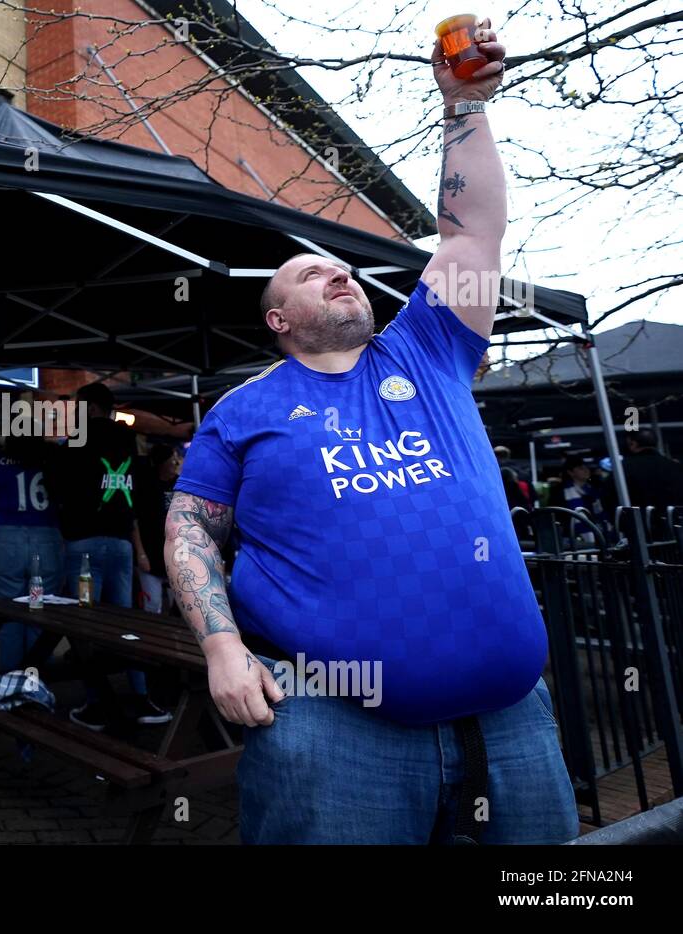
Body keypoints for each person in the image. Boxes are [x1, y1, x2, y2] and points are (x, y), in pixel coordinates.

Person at [165, 20, 578, 844]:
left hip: (512, 717)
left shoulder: (429, 348)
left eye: (343, 267)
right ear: (279, 317)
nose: (339, 270)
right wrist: (219, 648)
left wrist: (463, 107)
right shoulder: (245, 409)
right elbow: (188, 527)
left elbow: (469, 234)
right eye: (312, 273)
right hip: (330, 722)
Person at [49, 382, 170, 729]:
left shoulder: (74, 442)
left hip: (83, 544)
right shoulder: (128, 442)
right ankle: (141, 696)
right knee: (125, 624)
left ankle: (96, 703)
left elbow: (55, 483)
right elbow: (144, 492)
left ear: (87, 408)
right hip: (121, 542)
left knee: (87, 625)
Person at [0, 435, 65, 671]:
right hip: (47, 536)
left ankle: (11, 683)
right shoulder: (51, 458)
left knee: (8, 618)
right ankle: (37, 682)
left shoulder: (0, 461)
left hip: (7, 538)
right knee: (41, 616)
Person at [134, 442, 185, 615]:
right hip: (151, 553)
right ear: (162, 462)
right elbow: (135, 521)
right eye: (173, 459)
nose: (176, 463)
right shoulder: (146, 485)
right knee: (152, 605)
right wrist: (140, 553)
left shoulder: (181, 485)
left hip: (176, 558)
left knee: (180, 609)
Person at [620, 431, 683, 521]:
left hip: (641, 525)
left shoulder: (624, 468)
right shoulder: (674, 466)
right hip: (675, 522)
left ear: (633, 444)